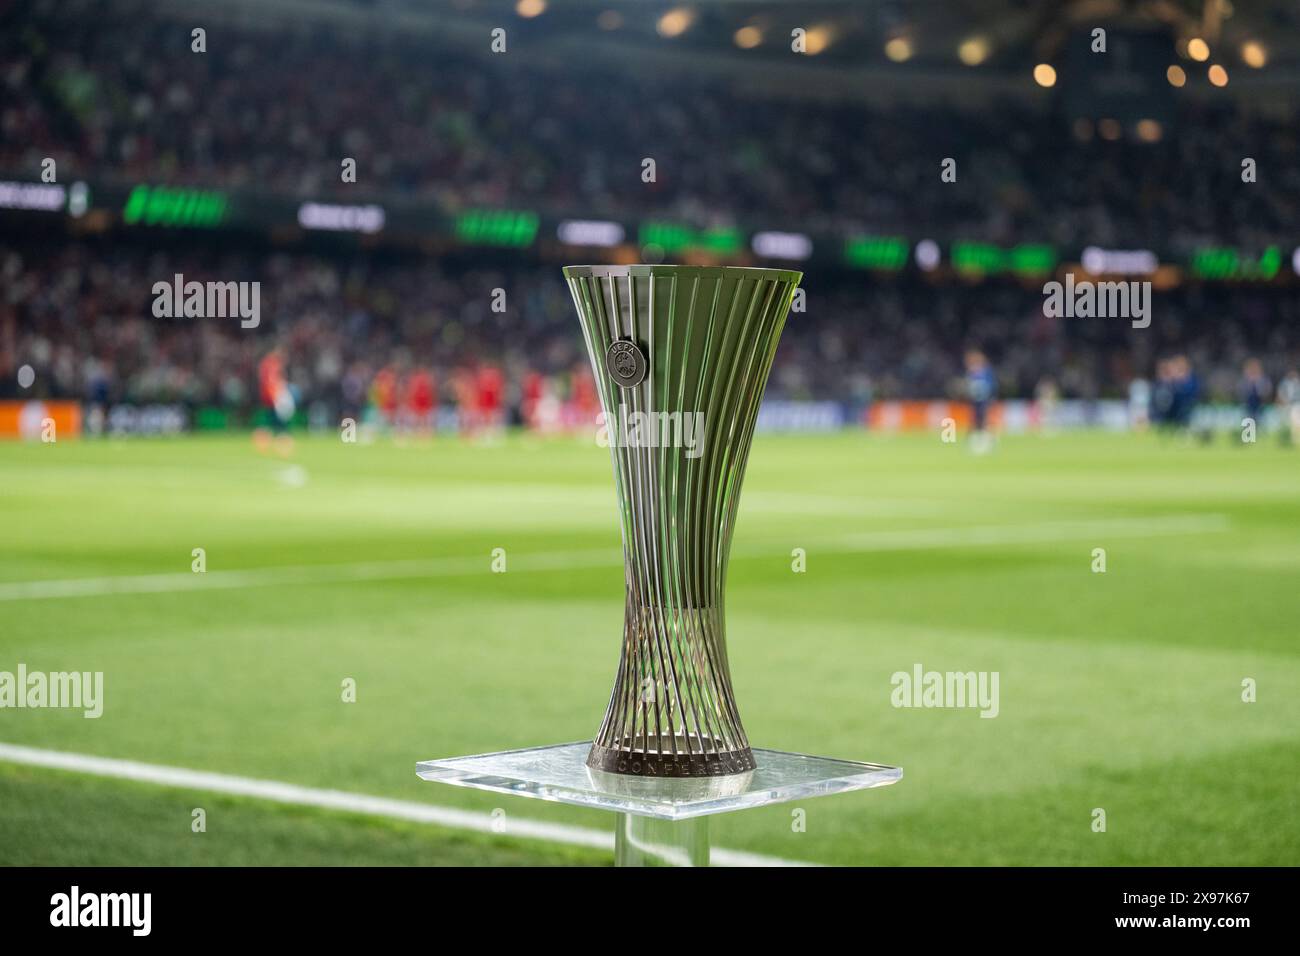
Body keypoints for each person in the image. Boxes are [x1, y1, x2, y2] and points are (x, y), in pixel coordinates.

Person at [255, 346, 295, 456]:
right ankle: (280, 442)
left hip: (269, 396)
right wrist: (277, 395)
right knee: (277, 421)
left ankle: (265, 441)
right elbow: (272, 382)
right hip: (272, 397)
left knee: (271, 420)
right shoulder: (272, 364)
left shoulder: (266, 364)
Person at [964, 349, 996, 454]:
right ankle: (974, 440)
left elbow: (991, 384)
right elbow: (969, 385)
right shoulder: (972, 372)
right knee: (974, 420)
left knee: (984, 420)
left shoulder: (986, 371)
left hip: (983, 400)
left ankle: (988, 440)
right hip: (975, 401)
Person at [1238, 358, 1271, 438]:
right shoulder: (1245, 380)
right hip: (1248, 405)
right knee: (1248, 421)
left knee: (1259, 422)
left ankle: (1257, 437)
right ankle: (1249, 438)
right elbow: (1241, 391)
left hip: (1259, 405)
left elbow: (1267, 390)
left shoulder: (1262, 380)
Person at [1277, 368, 1300, 447]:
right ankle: (1287, 439)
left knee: (1295, 423)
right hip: (1288, 404)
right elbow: (1281, 393)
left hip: (1296, 404)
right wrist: (1283, 401)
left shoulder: (1296, 383)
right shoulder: (1285, 383)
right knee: (1287, 423)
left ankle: (1294, 439)